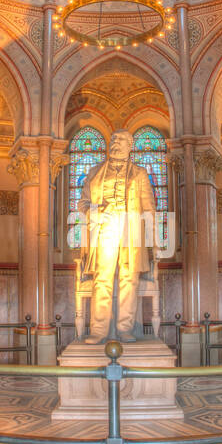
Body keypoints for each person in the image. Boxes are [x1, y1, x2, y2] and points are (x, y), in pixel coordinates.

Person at [77, 129, 157, 343]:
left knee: (129, 280)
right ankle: (99, 330)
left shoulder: (139, 173)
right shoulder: (95, 172)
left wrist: (153, 242)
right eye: (113, 140)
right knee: (101, 279)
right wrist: (97, 212)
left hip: (131, 231)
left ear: (130, 146)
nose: (115, 143)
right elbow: (82, 204)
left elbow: (149, 208)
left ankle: (124, 329)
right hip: (104, 230)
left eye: (120, 140)